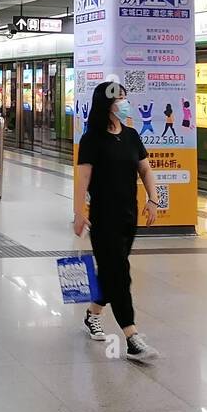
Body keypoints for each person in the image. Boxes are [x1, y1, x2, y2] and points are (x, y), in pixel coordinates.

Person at [73, 81, 161, 363]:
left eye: (125, 97)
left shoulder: (133, 135)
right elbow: (83, 178)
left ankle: (92, 314)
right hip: (103, 215)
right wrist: (79, 212)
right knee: (120, 272)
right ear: (105, 104)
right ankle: (132, 337)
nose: (124, 103)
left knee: (111, 271)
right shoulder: (92, 139)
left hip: (129, 214)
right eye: (119, 99)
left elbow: (145, 170)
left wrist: (153, 199)